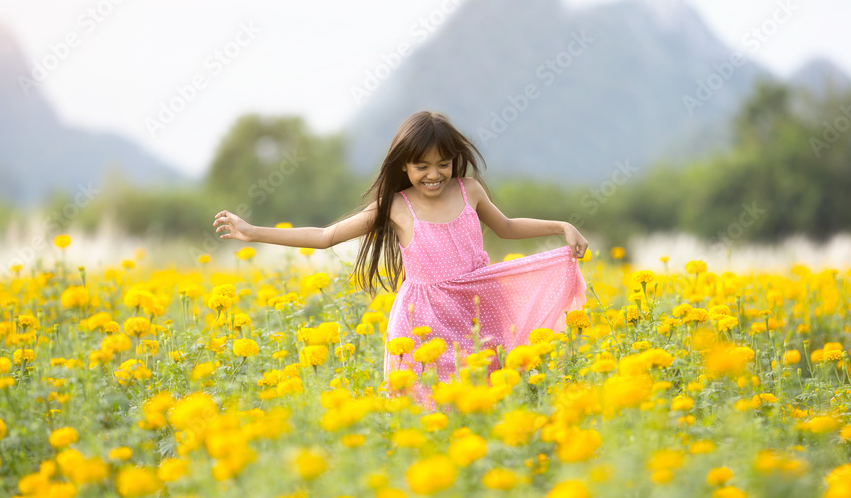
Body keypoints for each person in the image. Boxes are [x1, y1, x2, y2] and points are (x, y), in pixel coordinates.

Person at [213, 110, 588, 403]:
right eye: (421, 166)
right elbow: (326, 237)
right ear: (404, 166)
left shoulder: (469, 190)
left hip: (478, 309)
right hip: (424, 322)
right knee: (427, 403)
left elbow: (506, 227)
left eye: (442, 163)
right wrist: (254, 232)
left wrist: (561, 226)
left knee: (487, 394)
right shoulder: (395, 206)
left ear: (454, 160)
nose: (433, 174)